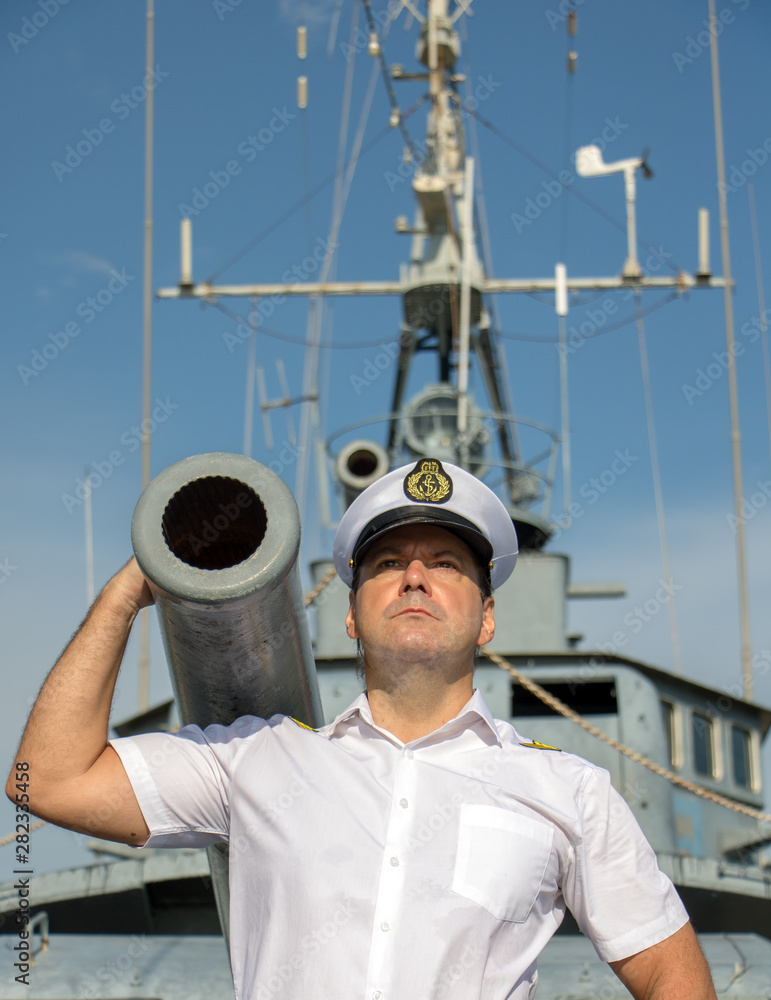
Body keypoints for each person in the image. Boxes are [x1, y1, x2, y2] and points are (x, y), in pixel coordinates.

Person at [7, 457, 716, 999]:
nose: (414, 578)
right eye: (385, 565)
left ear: (487, 616)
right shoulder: (254, 761)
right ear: (350, 616)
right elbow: (49, 780)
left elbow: (668, 972)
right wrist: (133, 586)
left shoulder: (568, 791)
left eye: (444, 564)